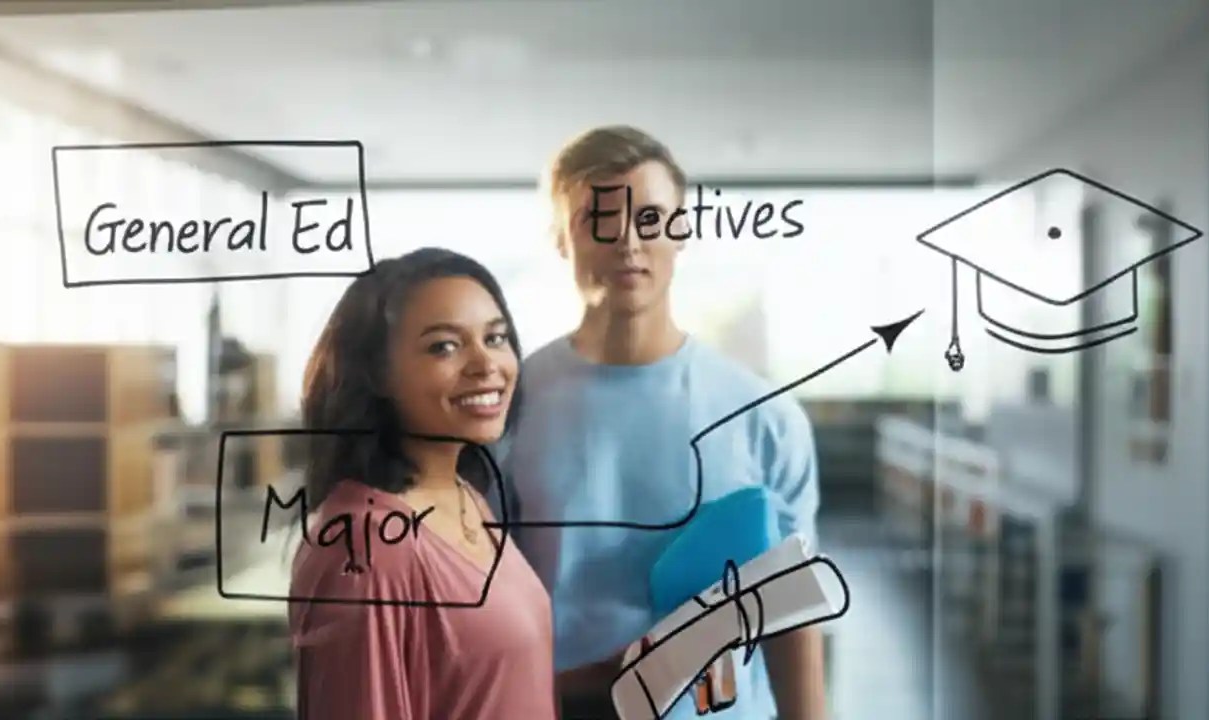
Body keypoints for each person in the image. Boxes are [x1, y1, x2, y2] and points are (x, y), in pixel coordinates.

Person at [497, 126, 827, 719]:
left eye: (649, 219)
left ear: (682, 233)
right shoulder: (505, 413)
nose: (627, 242)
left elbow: (792, 615)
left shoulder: (765, 418)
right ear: (559, 238)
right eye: (599, 221)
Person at [288, 248, 557, 720]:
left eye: (495, 338)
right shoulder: (366, 549)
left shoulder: (466, 497)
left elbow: (487, 682)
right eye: (444, 346)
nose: (485, 364)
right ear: (376, 374)